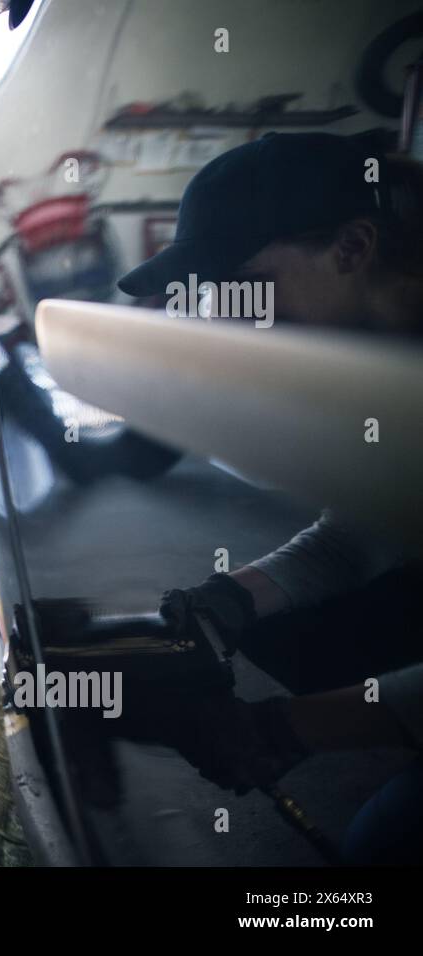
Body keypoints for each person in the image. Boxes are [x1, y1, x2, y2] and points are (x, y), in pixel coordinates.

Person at [116, 131, 423, 864]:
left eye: (250, 280)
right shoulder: (384, 350)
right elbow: (373, 529)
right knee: (289, 629)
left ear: (351, 247)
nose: (231, 312)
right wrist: (228, 601)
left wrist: (292, 729)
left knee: (383, 847)